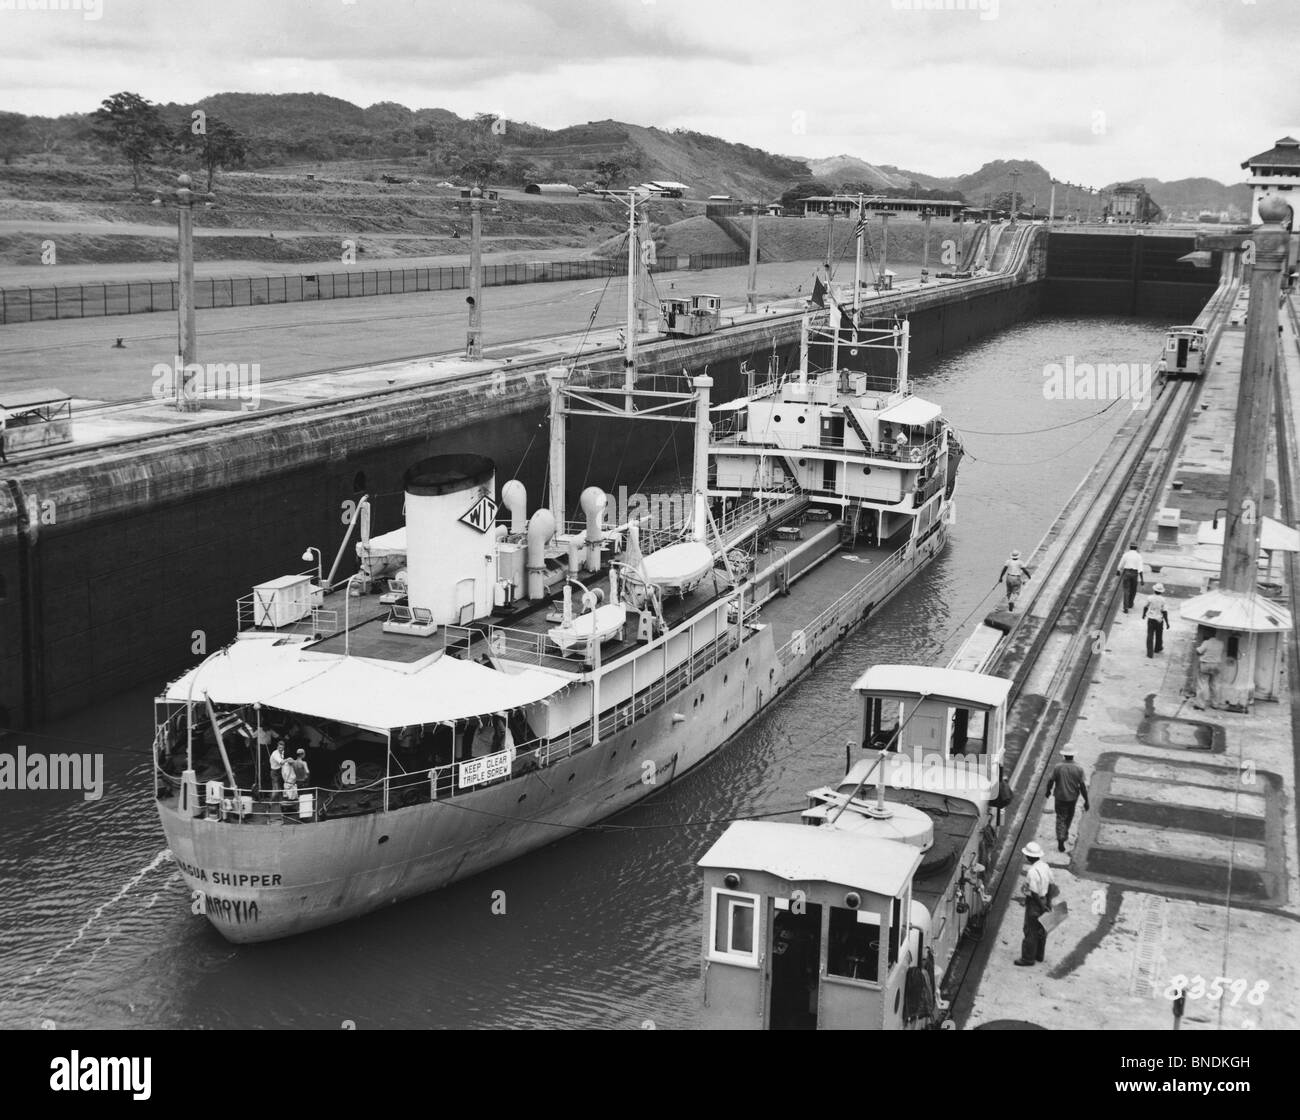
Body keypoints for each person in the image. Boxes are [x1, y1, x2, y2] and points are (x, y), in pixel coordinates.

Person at [1015, 841, 1054, 966]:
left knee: (1030, 930)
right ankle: (1039, 955)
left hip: (1035, 903)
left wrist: (1041, 907)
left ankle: (1028, 958)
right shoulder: (1045, 866)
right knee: (1041, 930)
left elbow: (1034, 892)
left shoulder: (1032, 872)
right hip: (1045, 900)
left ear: (1028, 857)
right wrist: (1048, 903)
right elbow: (1051, 884)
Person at [1045, 747, 1090, 852]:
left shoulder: (1058, 767)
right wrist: (1086, 801)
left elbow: (1051, 781)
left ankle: (1061, 839)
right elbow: (1082, 786)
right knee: (1069, 817)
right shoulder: (1079, 768)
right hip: (1072, 798)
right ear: (1073, 755)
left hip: (1060, 798)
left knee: (1060, 818)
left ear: (1063, 755)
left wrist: (1048, 791)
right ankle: (1064, 835)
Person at [1195, 630, 1226, 709]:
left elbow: (1198, 651)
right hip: (1216, 665)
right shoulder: (1221, 643)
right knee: (1215, 685)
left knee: (1202, 684)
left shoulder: (1206, 642)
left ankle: (1201, 704)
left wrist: (1198, 649)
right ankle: (1215, 704)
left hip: (1205, 664)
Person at [1142, 582, 1170, 657]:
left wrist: (1143, 615)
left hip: (1151, 618)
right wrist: (1167, 622)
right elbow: (1164, 611)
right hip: (1159, 619)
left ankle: (1149, 653)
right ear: (1161, 591)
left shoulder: (1150, 598)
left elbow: (1145, 607)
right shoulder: (1163, 600)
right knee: (1159, 634)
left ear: (1154, 590)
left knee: (1150, 635)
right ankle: (1158, 648)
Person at [1117, 543, 1145, 612]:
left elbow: (1121, 563)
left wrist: (1118, 570)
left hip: (1127, 572)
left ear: (1130, 547)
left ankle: (1125, 607)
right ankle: (1130, 604)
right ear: (1136, 548)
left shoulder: (1126, 555)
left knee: (1126, 590)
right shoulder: (1139, 556)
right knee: (1133, 590)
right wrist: (1142, 579)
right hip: (1135, 574)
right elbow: (1140, 568)